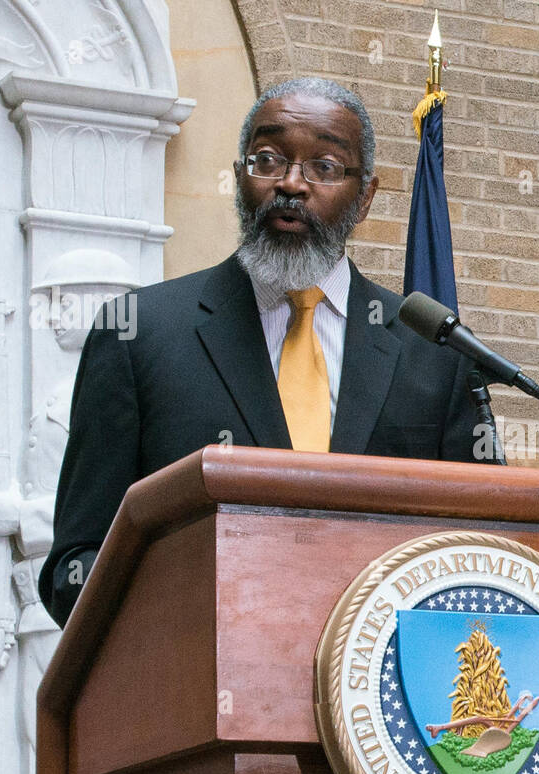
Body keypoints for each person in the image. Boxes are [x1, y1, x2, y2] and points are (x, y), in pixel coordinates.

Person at [39, 76, 481, 627]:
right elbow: (75, 568)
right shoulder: (140, 335)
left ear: (365, 196)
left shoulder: (434, 353)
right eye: (268, 159)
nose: (291, 184)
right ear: (239, 176)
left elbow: (477, 556)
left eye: (324, 166)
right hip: (196, 688)